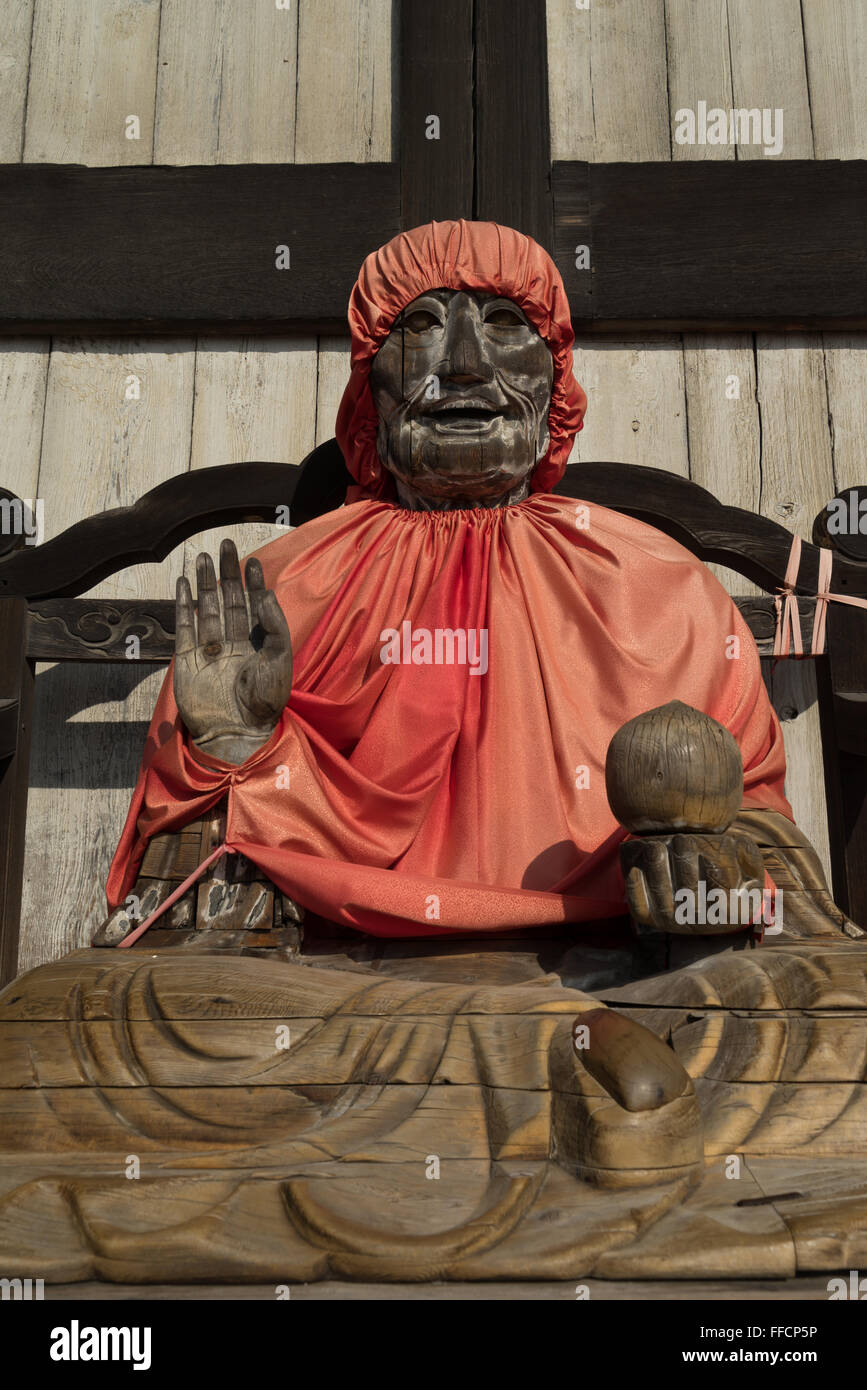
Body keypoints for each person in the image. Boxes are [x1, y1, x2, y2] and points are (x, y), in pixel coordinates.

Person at [102, 219, 793, 943]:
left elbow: (764, 840)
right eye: (419, 326)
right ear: (369, 384)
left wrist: (705, 861)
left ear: (555, 374)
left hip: (600, 967)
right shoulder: (281, 587)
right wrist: (234, 749)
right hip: (340, 970)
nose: (463, 364)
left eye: (504, 325)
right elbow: (178, 885)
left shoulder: (659, 586)